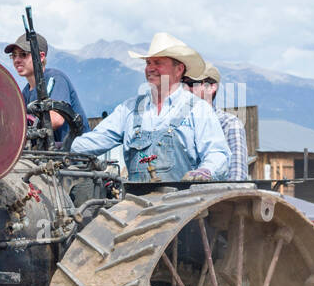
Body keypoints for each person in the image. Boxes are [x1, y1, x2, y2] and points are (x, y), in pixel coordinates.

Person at [70, 32, 230, 181]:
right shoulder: (129, 109)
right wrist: (63, 148)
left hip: (185, 204)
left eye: (158, 63)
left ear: (179, 69)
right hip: (136, 204)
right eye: (148, 63)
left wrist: (205, 171)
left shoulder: (198, 109)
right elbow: (96, 140)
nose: (150, 68)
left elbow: (218, 154)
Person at [4, 33, 87, 145]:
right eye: (14, 55)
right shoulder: (25, 93)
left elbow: (56, 119)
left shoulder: (56, 79)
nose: (16, 60)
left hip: (74, 154)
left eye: (23, 54)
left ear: (41, 57)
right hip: (48, 154)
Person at [185, 61, 249, 181]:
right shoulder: (178, 125)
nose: (185, 88)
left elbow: (237, 176)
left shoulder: (229, 124)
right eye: (182, 83)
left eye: (191, 83)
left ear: (211, 87)